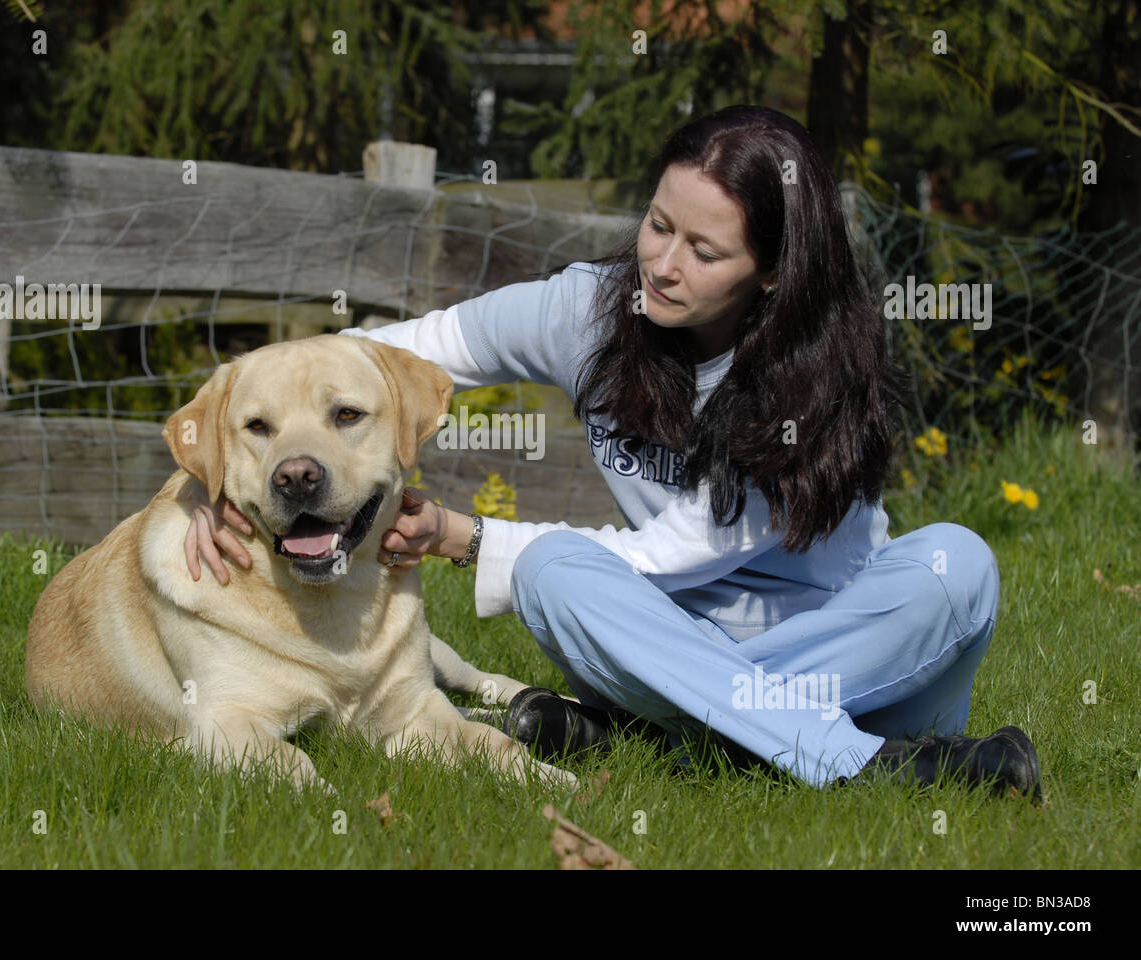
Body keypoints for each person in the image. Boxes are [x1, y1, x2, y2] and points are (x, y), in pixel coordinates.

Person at [183, 105, 1041, 798]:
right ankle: (863, 765)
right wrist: (221, 466)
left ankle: (653, 733)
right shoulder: (586, 310)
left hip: (847, 650)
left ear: (775, 271)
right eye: (658, 225)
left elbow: (673, 556)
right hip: (660, 635)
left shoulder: (813, 382)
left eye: (704, 251)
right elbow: (385, 352)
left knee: (957, 564)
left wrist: (463, 536)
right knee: (555, 569)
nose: (662, 264)